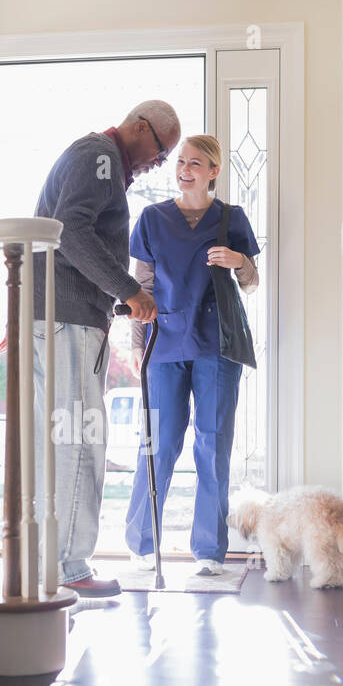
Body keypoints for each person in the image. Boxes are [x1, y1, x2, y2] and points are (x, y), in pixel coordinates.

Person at [32, 101, 182, 596]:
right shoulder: (101, 156)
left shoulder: (97, 158)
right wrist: (129, 290)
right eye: (160, 153)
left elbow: (72, 236)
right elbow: (69, 232)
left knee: (57, 442)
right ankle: (70, 568)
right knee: (79, 442)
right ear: (140, 128)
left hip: (61, 315)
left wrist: (116, 297)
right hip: (68, 319)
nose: (157, 165)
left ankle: (48, 563)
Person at [124, 134, 260, 574]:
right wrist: (135, 341)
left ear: (214, 171)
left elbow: (252, 281)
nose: (184, 170)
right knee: (158, 444)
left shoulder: (231, 218)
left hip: (217, 346)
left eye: (195, 163)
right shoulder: (152, 218)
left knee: (213, 444)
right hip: (163, 343)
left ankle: (209, 550)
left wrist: (237, 260)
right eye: (180, 162)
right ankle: (143, 543)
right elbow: (141, 286)